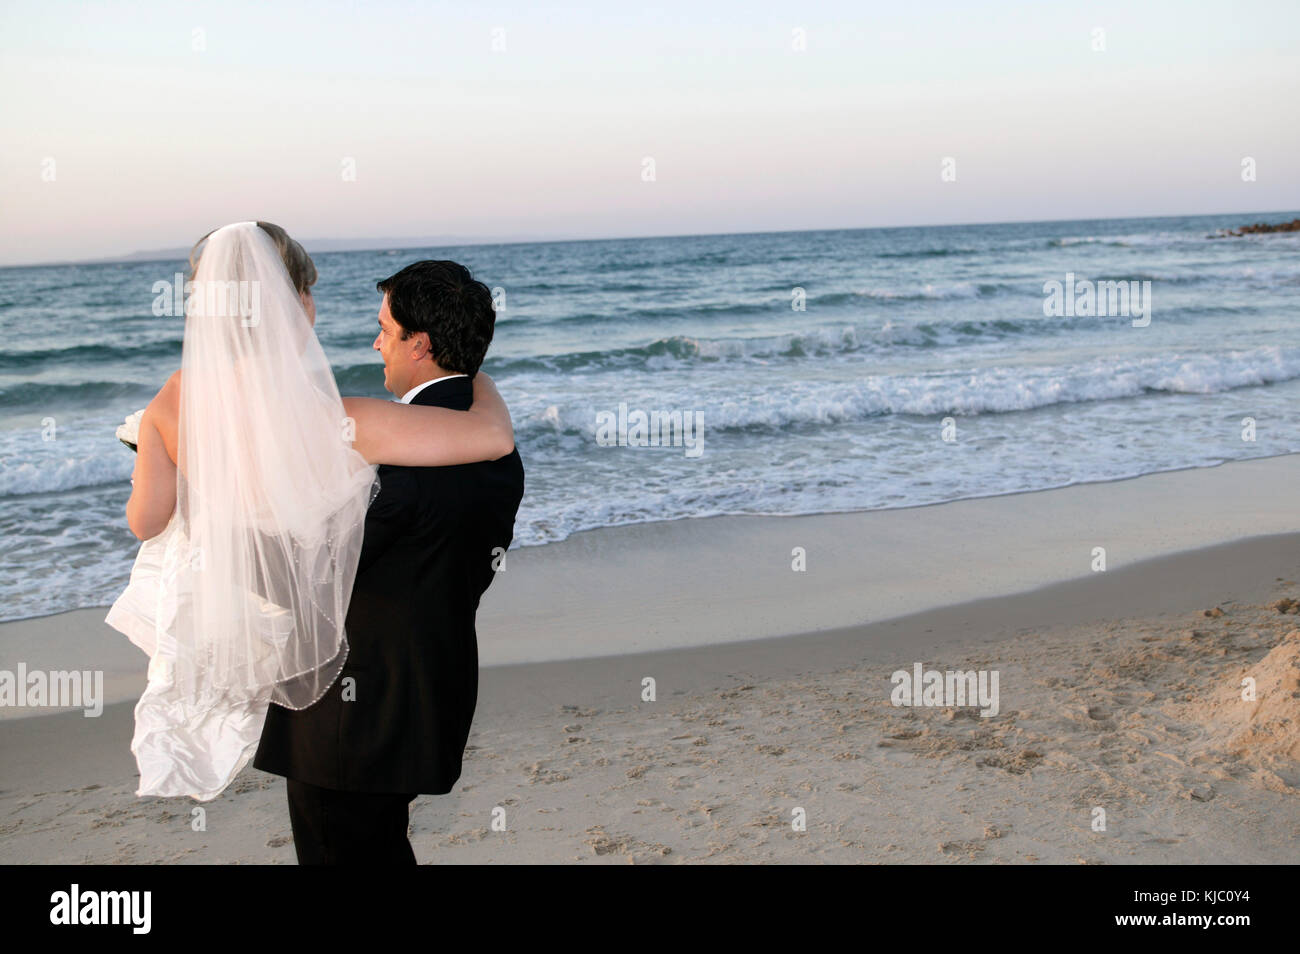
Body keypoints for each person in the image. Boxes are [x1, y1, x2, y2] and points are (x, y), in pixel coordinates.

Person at [105, 222, 515, 803]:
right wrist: (484, 382)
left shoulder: (173, 397)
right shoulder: (331, 417)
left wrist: (171, 464)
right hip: (331, 644)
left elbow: (145, 522)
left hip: (241, 610)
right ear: (294, 303)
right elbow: (491, 437)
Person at [254, 260, 525, 865]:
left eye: (385, 328)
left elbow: (311, 576)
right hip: (429, 689)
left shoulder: (402, 469)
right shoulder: (495, 447)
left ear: (419, 344)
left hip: (355, 716)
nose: (376, 342)